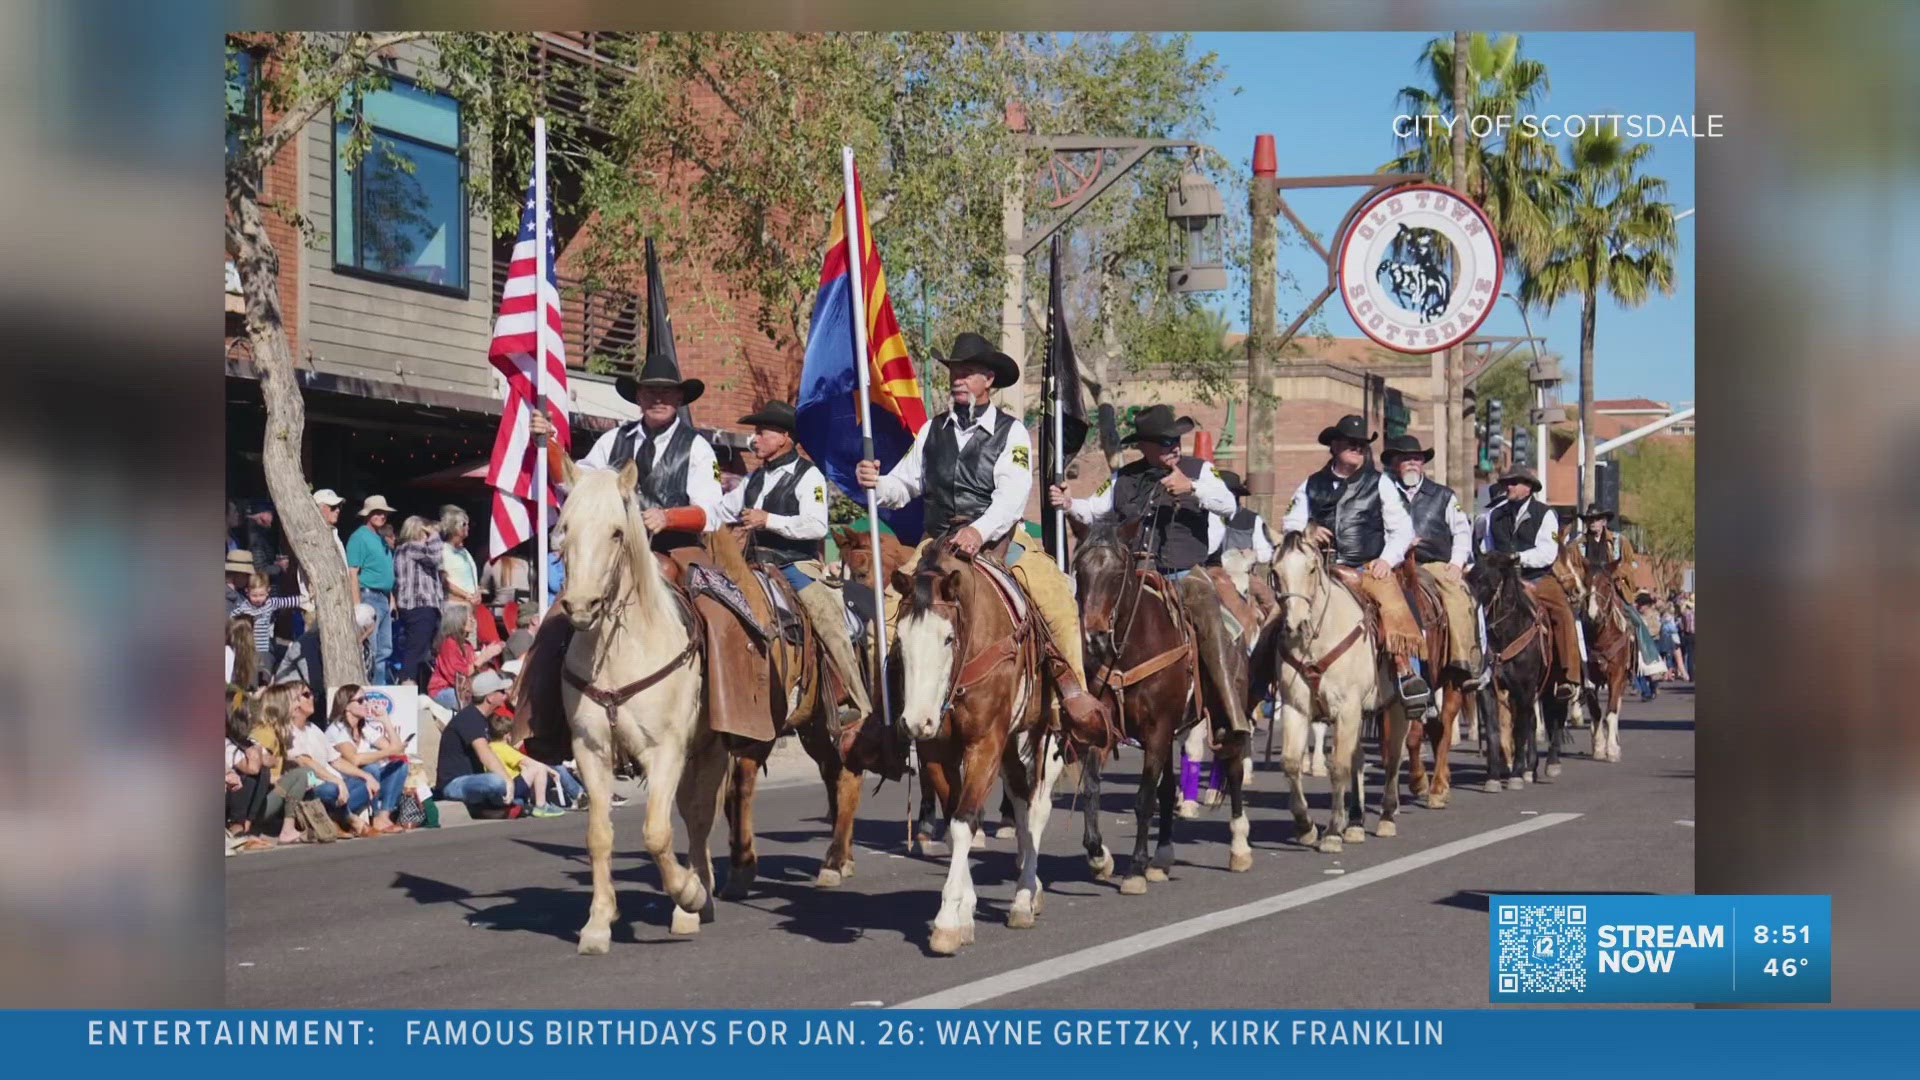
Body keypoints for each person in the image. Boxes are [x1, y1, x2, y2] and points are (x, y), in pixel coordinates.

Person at [859, 331, 1108, 739]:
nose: (957, 378)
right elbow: (904, 486)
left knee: (1057, 599)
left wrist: (979, 529)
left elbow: (1013, 494)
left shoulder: (1011, 433)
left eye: (968, 371)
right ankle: (883, 712)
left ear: (988, 379)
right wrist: (877, 482)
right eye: (954, 371)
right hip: (936, 543)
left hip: (1000, 541)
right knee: (884, 618)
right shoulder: (930, 431)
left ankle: (1072, 696)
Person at [1051, 403, 1246, 724]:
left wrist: (1192, 488)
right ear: (1144, 447)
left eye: (1176, 440)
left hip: (1184, 573)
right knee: (1083, 613)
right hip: (1133, 572)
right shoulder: (1123, 478)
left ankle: (1230, 712)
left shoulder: (1201, 470)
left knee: (1210, 617)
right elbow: (1093, 511)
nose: (1174, 447)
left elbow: (1228, 505)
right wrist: (1070, 503)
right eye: (1165, 442)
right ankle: (1077, 703)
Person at [715, 399, 870, 726]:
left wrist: (767, 519)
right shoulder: (753, 478)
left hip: (794, 566)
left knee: (829, 618)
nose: (754, 439)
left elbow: (817, 526)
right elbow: (721, 509)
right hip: (750, 566)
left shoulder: (809, 476)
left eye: (761, 432)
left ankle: (854, 700)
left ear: (784, 436)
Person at [1278, 414, 1431, 707]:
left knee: (1398, 609)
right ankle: (1260, 683)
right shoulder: (1310, 484)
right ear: (1334, 446)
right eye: (1351, 444)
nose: (1358, 449)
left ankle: (1407, 675)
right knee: (1280, 614)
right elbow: (1290, 523)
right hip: (1319, 569)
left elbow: (1402, 530)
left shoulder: (1381, 484)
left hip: (1367, 567)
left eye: (1362, 445)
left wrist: (1386, 560)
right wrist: (1307, 530)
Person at [1380, 433, 1483, 685]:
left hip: (1434, 564)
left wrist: (1456, 564)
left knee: (1458, 598)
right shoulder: (1382, 492)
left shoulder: (1443, 495)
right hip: (1392, 563)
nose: (1413, 463)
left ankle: (1462, 662)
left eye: (1417, 458)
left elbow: (1461, 531)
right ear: (1395, 463)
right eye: (1406, 459)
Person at [1479, 469, 1585, 698]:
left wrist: (1518, 558)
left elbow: (1548, 552)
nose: (1508, 487)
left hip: (1537, 576)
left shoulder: (1545, 514)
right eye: (1507, 483)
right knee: (1474, 606)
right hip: (1502, 577)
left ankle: (1569, 676)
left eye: (1513, 483)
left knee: (1562, 612)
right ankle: (1477, 667)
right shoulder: (1494, 515)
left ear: (1528, 487)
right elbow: (1486, 548)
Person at [432, 669, 524, 815]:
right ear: (490, 697)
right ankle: (493, 806)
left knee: (518, 796)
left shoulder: (483, 718)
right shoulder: (470, 718)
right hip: (454, 784)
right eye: (501, 691)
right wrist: (507, 780)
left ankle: (494, 807)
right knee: (497, 782)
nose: (505, 694)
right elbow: (485, 754)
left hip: (474, 780)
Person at [323, 685, 409, 833]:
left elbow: (397, 748)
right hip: (346, 787)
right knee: (372, 768)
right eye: (361, 700)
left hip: (369, 783)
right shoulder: (337, 729)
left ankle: (383, 816)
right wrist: (389, 751)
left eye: (366, 699)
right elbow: (354, 760)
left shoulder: (364, 728)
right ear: (347, 706)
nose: (366, 704)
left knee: (400, 765)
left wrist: (385, 721)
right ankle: (372, 814)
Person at [1205, 469, 1279, 623]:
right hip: (1210, 572)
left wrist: (1253, 553)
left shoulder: (1252, 519)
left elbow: (1267, 552)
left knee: (1265, 595)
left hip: (1241, 573)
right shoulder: (1202, 517)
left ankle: (1274, 629)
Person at [391, 515, 446, 688]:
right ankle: (407, 683)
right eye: (425, 533)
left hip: (420, 606)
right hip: (419, 605)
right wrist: (435, 534)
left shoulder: (407, 550)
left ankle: (418, 684)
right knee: (415, 650)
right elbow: (436, 557)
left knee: (422, 650)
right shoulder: (410, 547)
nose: (427, 537)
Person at [485, 710, 574, 817]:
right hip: (509, 786)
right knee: (539, 768)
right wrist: (551, 771)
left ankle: (531, 802)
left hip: (498, 789)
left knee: (531, 775)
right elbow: (530, 763)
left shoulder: (488, 748)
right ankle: (541, 806)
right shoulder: (503, 748)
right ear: (507, 735)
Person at [348, 495, 398, 681]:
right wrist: (357, 605)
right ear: (367, 514)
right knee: (372, 648)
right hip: (368, 597)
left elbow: (386, 572)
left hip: (383, 598)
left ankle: (380, 690)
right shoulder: (359, 537)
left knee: (385, 648)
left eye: (383, 512)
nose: (381, 516)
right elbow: (353, 572)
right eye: (376, 512)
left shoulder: (381, 538)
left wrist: (391, 598)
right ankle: (369, 689)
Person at [224, 684, 275, 850]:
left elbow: (271, 760)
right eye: (248, 712)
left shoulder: (247, 741)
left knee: (264, 771)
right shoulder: (226, 743)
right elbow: (252, 768)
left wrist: (256, 751)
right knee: (252, 774)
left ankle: (247, 825)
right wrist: (256, 753)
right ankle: (236, 827)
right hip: (229, 800)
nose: (252, 715)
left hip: (250, 803)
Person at [428, 600, 504, 711]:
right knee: (475, 704)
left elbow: (473, 670)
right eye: (469, 618)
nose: (473, 620)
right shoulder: (449, 644)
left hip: (464, 688)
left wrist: (486, 660)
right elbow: (459, 677)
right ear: (459, 621)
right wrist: (482, 658)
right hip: (444, 690)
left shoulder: (467, 645)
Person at [230, 572, 303, 679]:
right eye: (254, 595)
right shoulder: (243, 608)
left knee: (263, 672)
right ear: (247, 592)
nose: (258, 599)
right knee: (249, 672)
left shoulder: (270, 603)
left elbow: (287, 601)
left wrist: (304, 599)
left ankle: (262, 685)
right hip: (248, 648)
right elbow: (232, 618)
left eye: (261, 595)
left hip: (263, 647)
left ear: (268, 591)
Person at [439, 505, 481, 617]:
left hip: (470, 607)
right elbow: (443, 581)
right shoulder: (444, 550)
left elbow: (472, 577)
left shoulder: (464, 551)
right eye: (464, 524)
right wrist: (466, 595)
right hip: (455, 607)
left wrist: (478, 593)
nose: (468, 527)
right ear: (453, 527)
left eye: (468, 524)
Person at [245, 498, 288, 585]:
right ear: (263, 515)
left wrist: (275, 563)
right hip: (261, 587)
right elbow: (259, 568)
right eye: (270, 512)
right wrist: (279, 566)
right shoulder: (255, 536)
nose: (273, 516)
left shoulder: (258, 532)